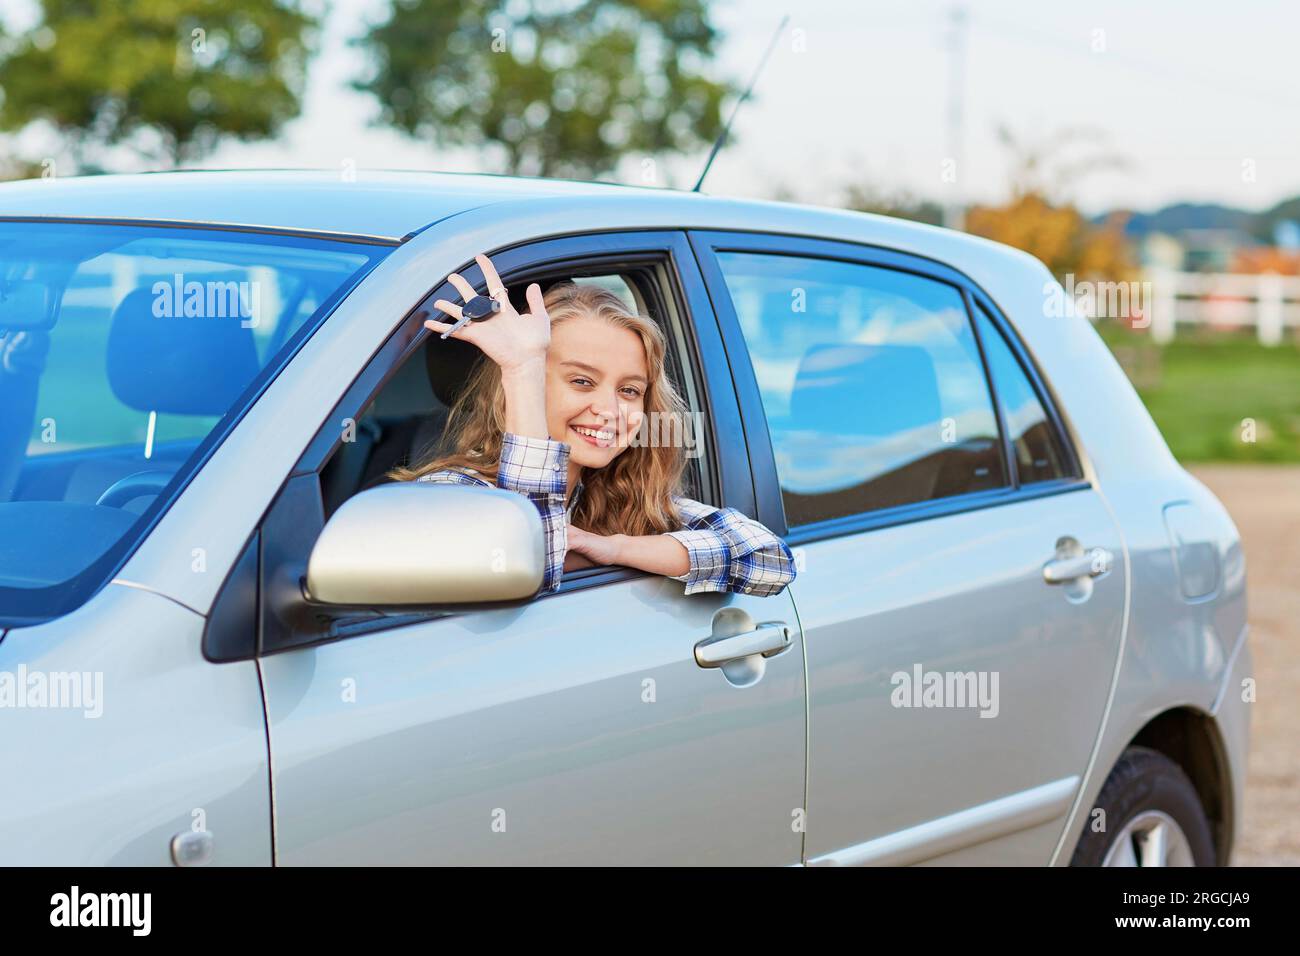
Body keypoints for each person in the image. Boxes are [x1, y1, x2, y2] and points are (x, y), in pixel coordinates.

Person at [388, 253, 796, 597]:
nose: (610, 409)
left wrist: (613, 548)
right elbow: (532, 566)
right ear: (524, 386)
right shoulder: (452, 493)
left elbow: (768, 559)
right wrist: (522, 367)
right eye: (581, 381)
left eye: (630, 390)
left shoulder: (614, 494)